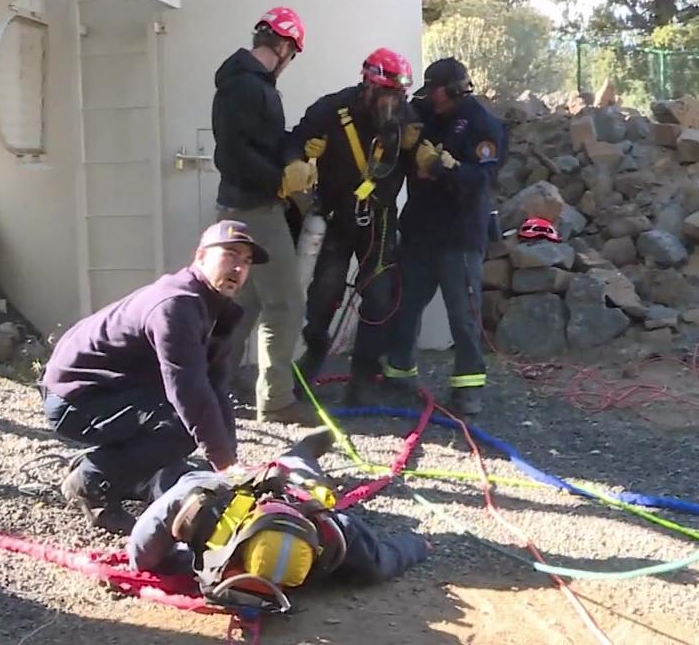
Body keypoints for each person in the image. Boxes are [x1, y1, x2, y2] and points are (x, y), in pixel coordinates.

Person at [39, 220, 268, 533]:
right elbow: (189, 390)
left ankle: (121, 469)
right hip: (75, 398)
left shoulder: (217, 309)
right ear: (200, 255)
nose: (238, 268)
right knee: (181, 428)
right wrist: (225, 465)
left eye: (246, 261)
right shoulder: (178, 305)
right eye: (230, 254)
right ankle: (90, 481)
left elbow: (216, 387)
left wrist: (233, 467)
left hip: (113, 389)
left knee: (187, 429)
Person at [126, 426, 430, 613]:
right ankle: (302, 453)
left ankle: (303, 452)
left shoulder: (334, 534)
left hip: (297, 491)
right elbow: (380, 560)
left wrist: (417, 545)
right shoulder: (200, 500)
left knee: (302, 475)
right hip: (252, 485)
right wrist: (419, 544)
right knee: (172, 478)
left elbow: (381, 561)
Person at [284, 47, 422, 407]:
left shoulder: (407, 118)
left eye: (400, 94)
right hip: (336, 216)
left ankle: (363, 378)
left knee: (379, 299)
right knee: (325, 295)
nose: (395, 101)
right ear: (368, 85)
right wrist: (300, 157)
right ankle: (306, 367)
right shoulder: (332, 110)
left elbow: (425, 152)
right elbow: (293, 142)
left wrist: (421, 150)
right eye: (388, 93)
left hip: (380, 220)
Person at [211, 5, 320, 426]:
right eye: (293, 51)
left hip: (247, 203)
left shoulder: (254, 85)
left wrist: (295, 159)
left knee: (246, 301)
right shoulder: (244, 87)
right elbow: (233, 154)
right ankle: (275, 401)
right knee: (287, 304)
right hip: (254, 207)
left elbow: (267, 141)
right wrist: (279, 181)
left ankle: (213, 383)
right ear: (284, 45)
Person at [381, 58, 507, 416]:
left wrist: (443, 168)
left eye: (433, 90)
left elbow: (484, 178)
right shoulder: (426, 110)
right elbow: (404, 109)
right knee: (404, 306)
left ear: (450, 90)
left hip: (459, 237)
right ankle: (398, 374)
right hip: (421, 232)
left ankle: (468, 388)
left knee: (462, 314)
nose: (429, 97)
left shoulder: (482, 125)